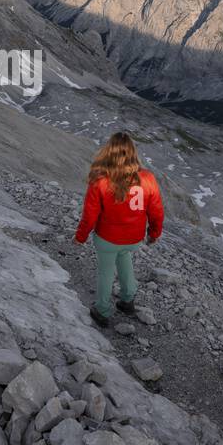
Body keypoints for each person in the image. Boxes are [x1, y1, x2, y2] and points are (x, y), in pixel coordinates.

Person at [73, 132, 164, 327]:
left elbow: (90, 215)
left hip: (107, 237)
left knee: (106, 272)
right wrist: (154, 233)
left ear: (109, 152)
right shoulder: (147, 178)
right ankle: (128, 299)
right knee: (124, 258)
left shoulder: (100, 180)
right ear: (133, 152)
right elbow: (156, 210)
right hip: (133, 238)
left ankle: (103, 311)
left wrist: (80, 237)